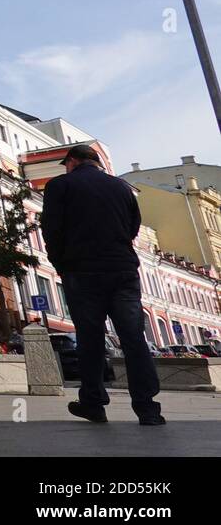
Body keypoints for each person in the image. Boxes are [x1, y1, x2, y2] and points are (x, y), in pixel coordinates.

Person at [41, 143, 164, 426]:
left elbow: (52, 229)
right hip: (122, 269)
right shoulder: (121, 188)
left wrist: (61, 263)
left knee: (90, 338)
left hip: (83, 271)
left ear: (72, 161)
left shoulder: (60, 185)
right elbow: (134, 226)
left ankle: (94, 403)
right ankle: (148, 409)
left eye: (66, 163)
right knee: (134, 339)